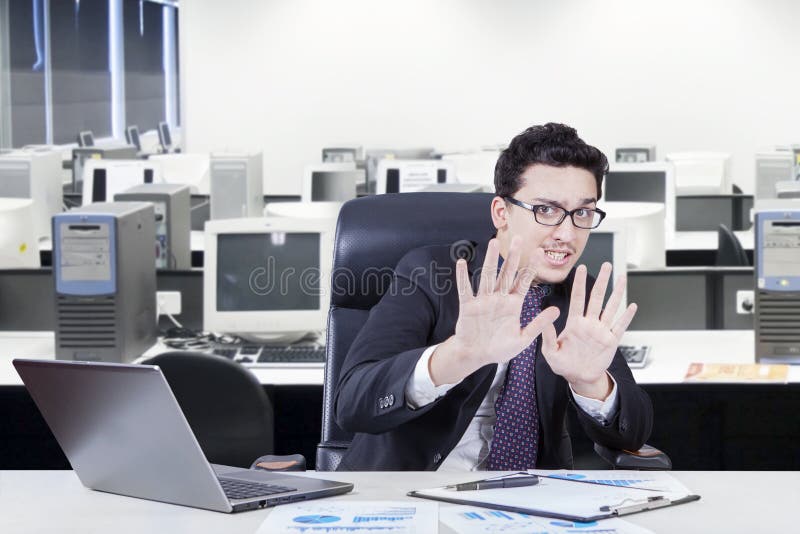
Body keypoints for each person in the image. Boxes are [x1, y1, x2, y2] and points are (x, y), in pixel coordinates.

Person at [333, 123, 653, 471]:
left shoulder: (579, 295)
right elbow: (352, 404)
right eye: (546, 210)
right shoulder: (429, 273)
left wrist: (591, 382)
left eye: (583, 213)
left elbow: (632, 435)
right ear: (502, 212)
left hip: (526, 501)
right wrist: (456, 356)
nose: (567, 233)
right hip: (415, 493)